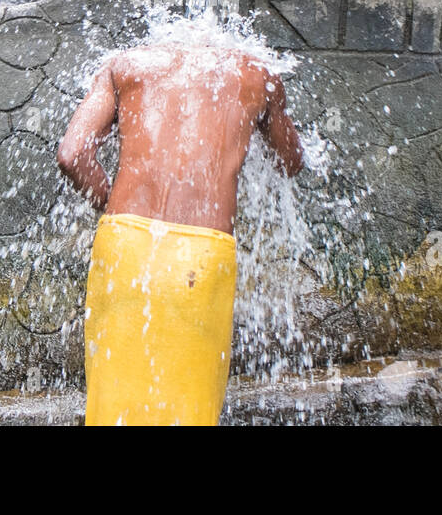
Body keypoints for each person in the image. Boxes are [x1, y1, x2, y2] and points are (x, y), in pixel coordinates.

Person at [56, 39, 303, 425]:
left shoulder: (125, 65)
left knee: (113, 410)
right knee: (189, 411)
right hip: (201, 256)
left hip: (123, 243)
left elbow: (72, 155)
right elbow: (290, 162)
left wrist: (115, 204)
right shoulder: (256, 74)